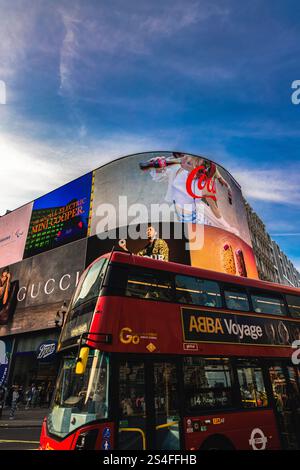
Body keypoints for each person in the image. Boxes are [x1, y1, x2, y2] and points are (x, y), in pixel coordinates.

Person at [142, 154, 239, 235]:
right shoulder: (177, 167)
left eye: (188, 163)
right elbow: (162, 175)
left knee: (200, 233)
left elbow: (214, 208)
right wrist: (158, 168)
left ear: (195, 172)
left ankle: (222, 230)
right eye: (187, 157)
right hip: (179, 210)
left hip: (192, 214)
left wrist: (227, 227)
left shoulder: (201, 186)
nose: (184, 160)